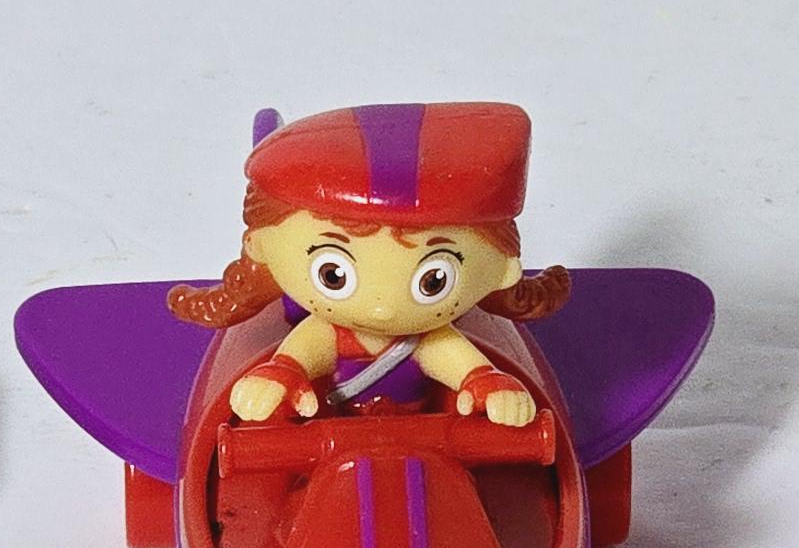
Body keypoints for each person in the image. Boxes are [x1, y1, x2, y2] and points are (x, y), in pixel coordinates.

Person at [168, 103, 571, 426]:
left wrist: (486, 383)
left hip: (422, 439)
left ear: (503, 270)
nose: (382, 308)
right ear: (260, 247)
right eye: (333, 275)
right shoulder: (329, 333)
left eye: (433, 280)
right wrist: (281, 374)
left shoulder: (431, 340)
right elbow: (300, 355)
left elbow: (459, 362)